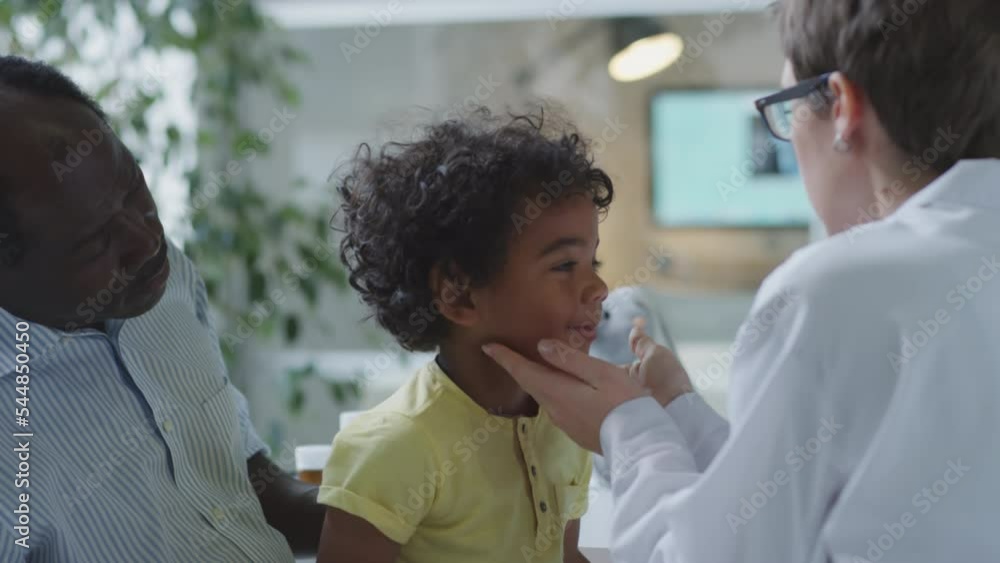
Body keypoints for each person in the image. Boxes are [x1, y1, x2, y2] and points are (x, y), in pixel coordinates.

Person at [483, 1, 1000, 561]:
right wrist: (677, 407)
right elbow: (793, 500)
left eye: (785, 112)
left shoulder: (832, 290)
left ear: (845, 107)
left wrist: (625, 428)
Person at [0, 56, 323, 561]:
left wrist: (407, 507)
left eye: (134, 190)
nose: (147, 239)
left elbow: (239, 485)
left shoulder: (162, 282)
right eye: (94, 244)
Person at [316, 108, 610, 563]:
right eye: (564, 266)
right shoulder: (395, 447)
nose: (598, 288)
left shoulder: (567, 421)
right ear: (459, 296)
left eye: (594, 263)